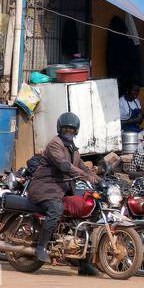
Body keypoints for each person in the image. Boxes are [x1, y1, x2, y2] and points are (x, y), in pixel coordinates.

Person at [27, 111, 99, 266]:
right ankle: (41, 247)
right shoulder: (55, 144)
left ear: (76, 131)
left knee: (87, 214)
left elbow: (83, 168)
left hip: (61, 190)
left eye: (71, 130)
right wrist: (83, 175)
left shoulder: (73, 149)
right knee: (56, 208)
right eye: (66, 129)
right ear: (60, 129)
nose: (68, 132)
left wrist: (99, 180)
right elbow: (64, 165)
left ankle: (84, 264)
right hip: (45, 189)